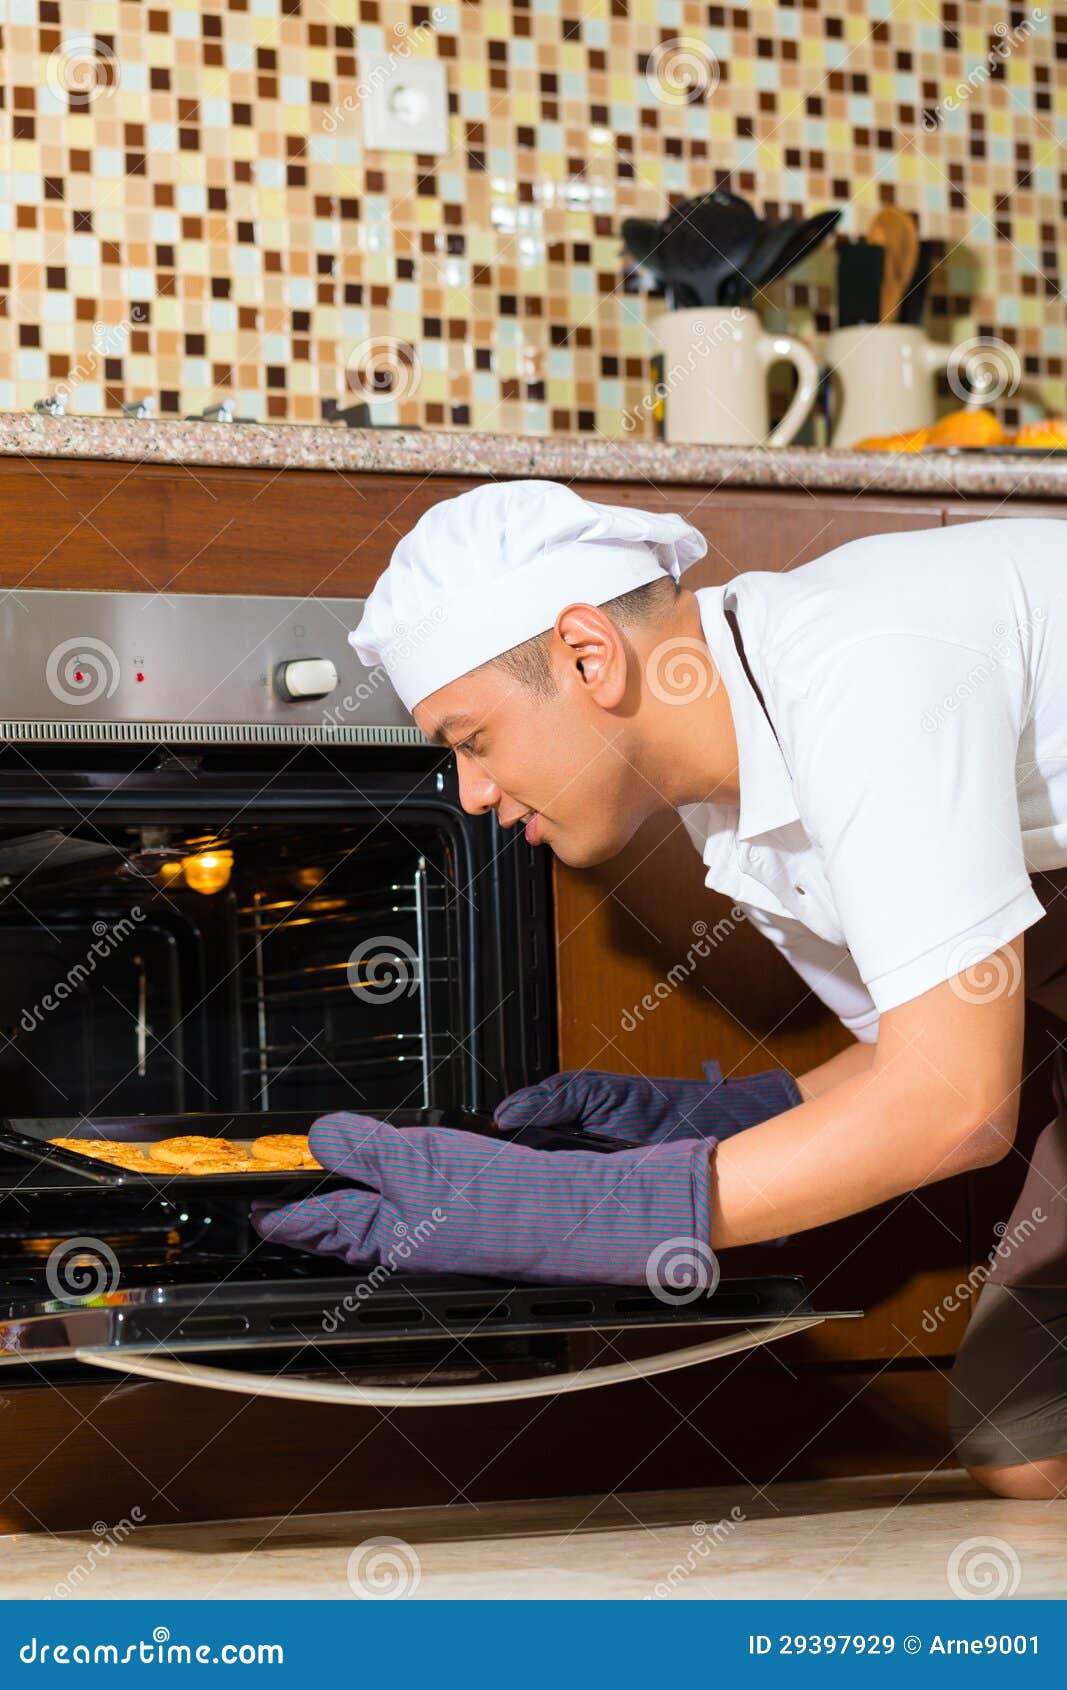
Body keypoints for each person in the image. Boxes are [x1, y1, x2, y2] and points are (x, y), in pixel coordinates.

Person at [255, 479, 1067, 1501]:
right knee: (1028, 1446)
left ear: (587, 654)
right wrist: (704, 1121)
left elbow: (956, 1109)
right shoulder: (723, 779)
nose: (468, 792)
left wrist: (581, 1209)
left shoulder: (860, 670)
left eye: (470, 739)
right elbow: (913, 1057)